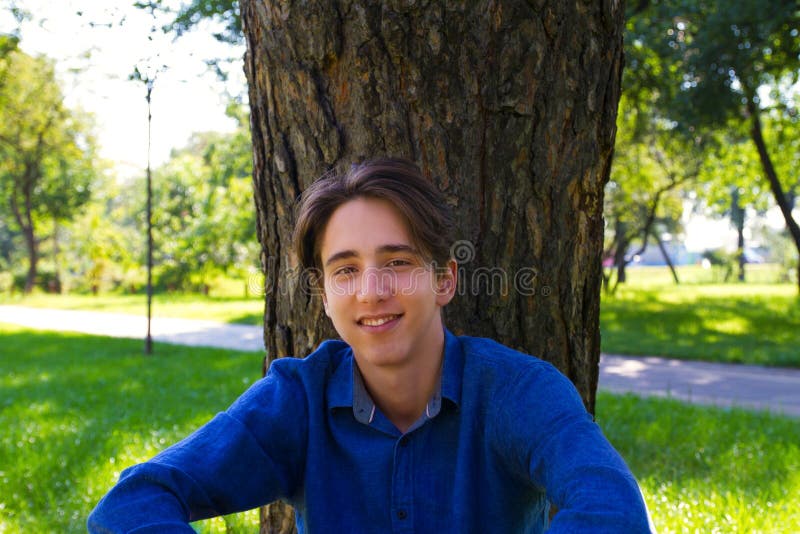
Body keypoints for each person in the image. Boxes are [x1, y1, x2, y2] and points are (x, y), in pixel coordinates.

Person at [88, 158, 652, 533]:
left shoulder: (517, 392)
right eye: (346, 270)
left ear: (445, 280)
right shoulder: (297, 401)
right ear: (324, 295)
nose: (371, 291)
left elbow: (614, 509)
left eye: (398, 262)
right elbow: (133, 501)